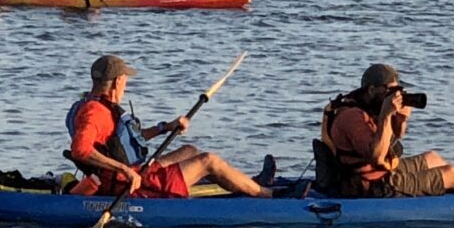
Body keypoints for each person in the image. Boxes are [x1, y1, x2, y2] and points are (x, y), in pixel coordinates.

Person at [67, 54, 305, 199]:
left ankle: (241, 183)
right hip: (130, 184)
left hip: (136, 171)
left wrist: (166, 127)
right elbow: (81, 150)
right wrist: (126, 171)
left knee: (189, 151)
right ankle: (267, 195)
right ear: (118, 81)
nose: (126, 84)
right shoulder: (95, 112)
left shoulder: (95, 105)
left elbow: (126, 139)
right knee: (208, 160)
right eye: (125, 80)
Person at [315, 63, 454, 198]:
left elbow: (395, 140)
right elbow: (376, 157)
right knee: (451, 174)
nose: (392, 96)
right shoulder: (352, 117)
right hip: (370, 185)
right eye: (389, 91)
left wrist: (401, 118)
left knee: (432, 158)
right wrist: (386, 115)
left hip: (379, 172)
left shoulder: (371, 107)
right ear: (372, 90)